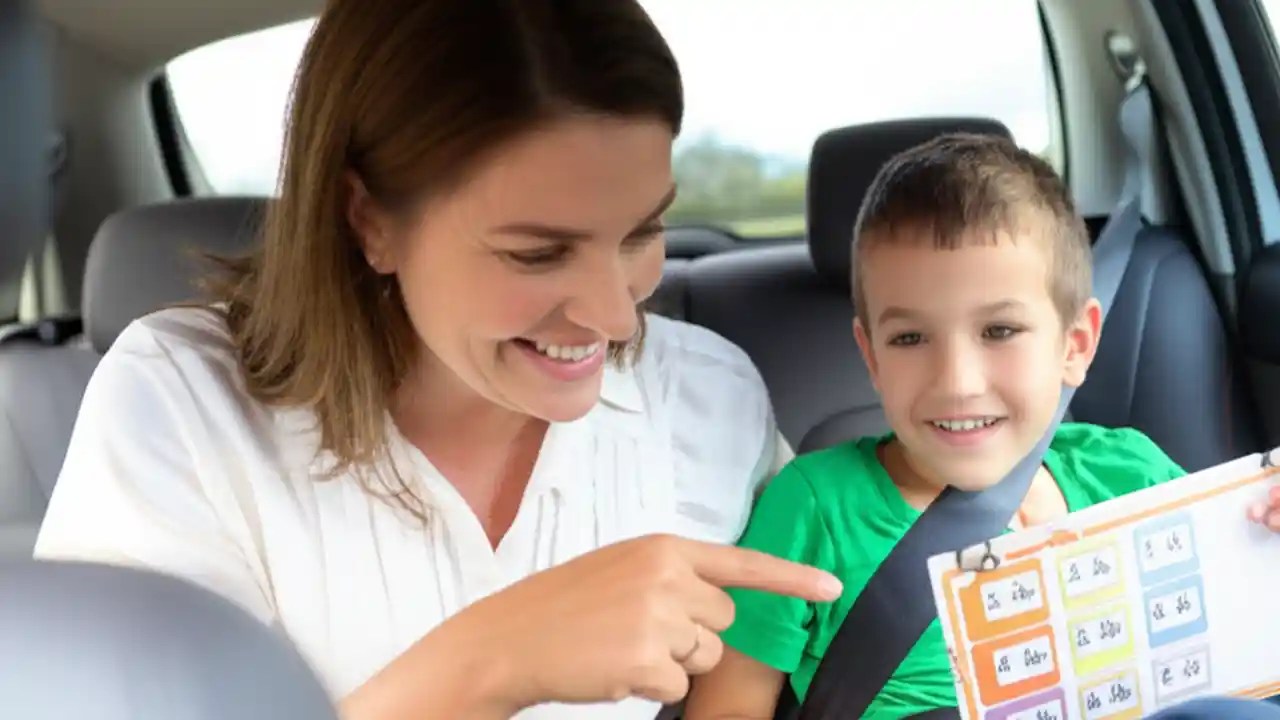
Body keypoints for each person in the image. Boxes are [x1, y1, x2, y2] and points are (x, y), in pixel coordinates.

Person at [31, 1, 842, 718]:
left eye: (639, 232)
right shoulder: (179, 407)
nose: (615, 313)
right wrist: (491, 663)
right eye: (537, 253)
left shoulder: (709, 399)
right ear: (370, 219)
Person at [684, 134, 1280, 719]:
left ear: (1075, 344)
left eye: (999, 331)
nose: (957, 381)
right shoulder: (816, 508)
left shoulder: (1131, 471)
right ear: (871, 357)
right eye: (910, 338)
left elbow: (1239, 636)